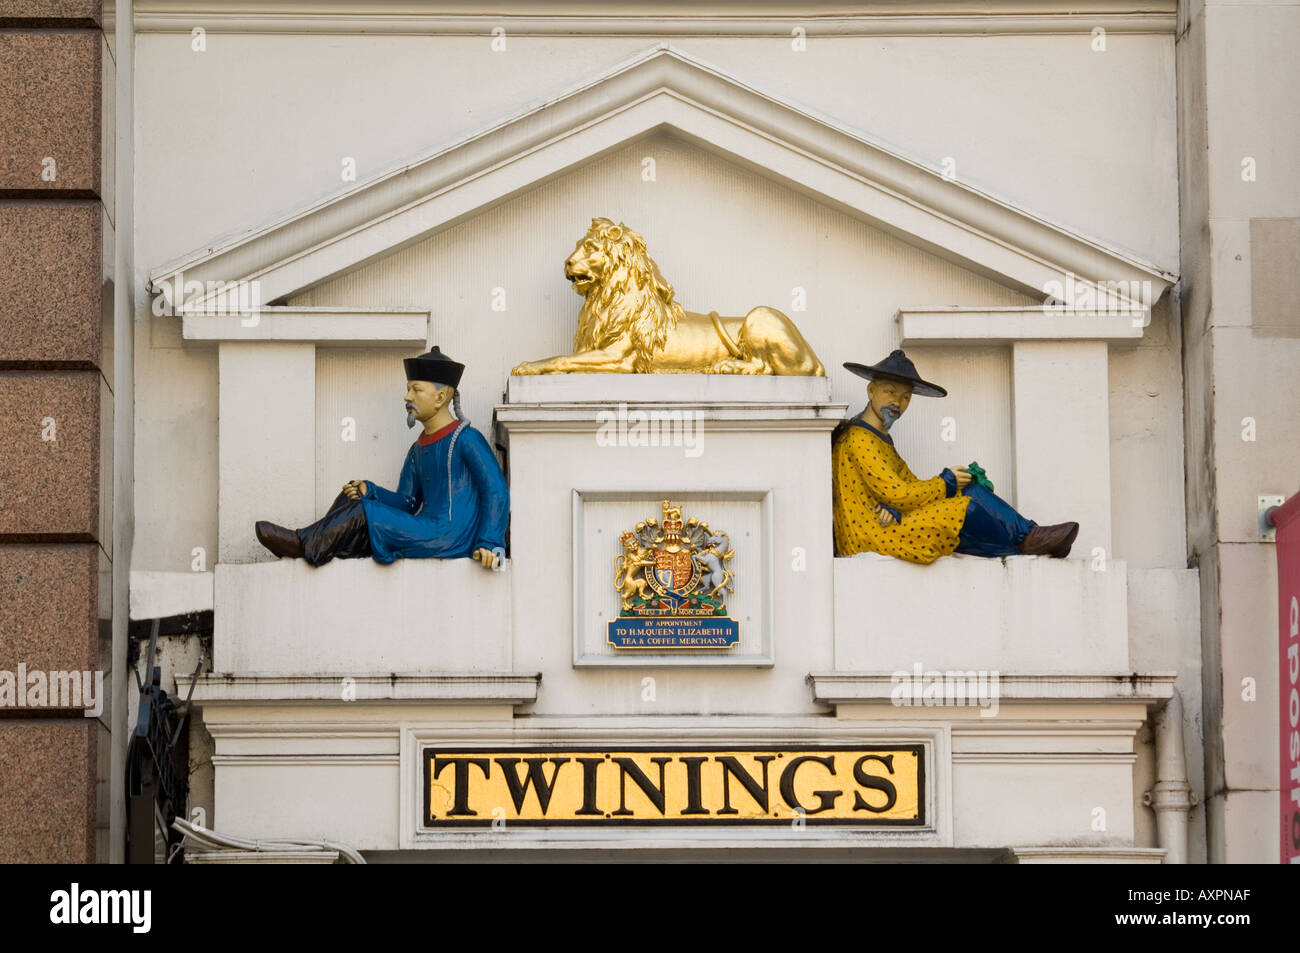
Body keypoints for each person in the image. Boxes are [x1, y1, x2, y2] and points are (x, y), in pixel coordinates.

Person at [254, 346, 509, 569]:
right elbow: (408, 501)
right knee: (355, 496)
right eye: (408, 389)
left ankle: (302, 544)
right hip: (424, 527)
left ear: (441, 397)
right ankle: (317, 546)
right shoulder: (417, 449)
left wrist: (490, 542)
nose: (407, 397)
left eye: (416, 390)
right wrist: (371, 490)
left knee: (367, 511)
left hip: (448, 536)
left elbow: (496, 490)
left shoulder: (466, 438)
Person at [832, 349, 1078, 564]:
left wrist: (945, 486)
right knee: (966, 505)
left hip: (888, 522)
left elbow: (904, 487)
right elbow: (898, 493)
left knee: (967, 492)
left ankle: (1025, 541)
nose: (898, 402)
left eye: (906, 397)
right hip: (872, 534)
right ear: (871, 390)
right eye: (890, 391)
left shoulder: (879, 438)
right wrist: (945, 482)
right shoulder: (860, 439)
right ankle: (1028, 539)